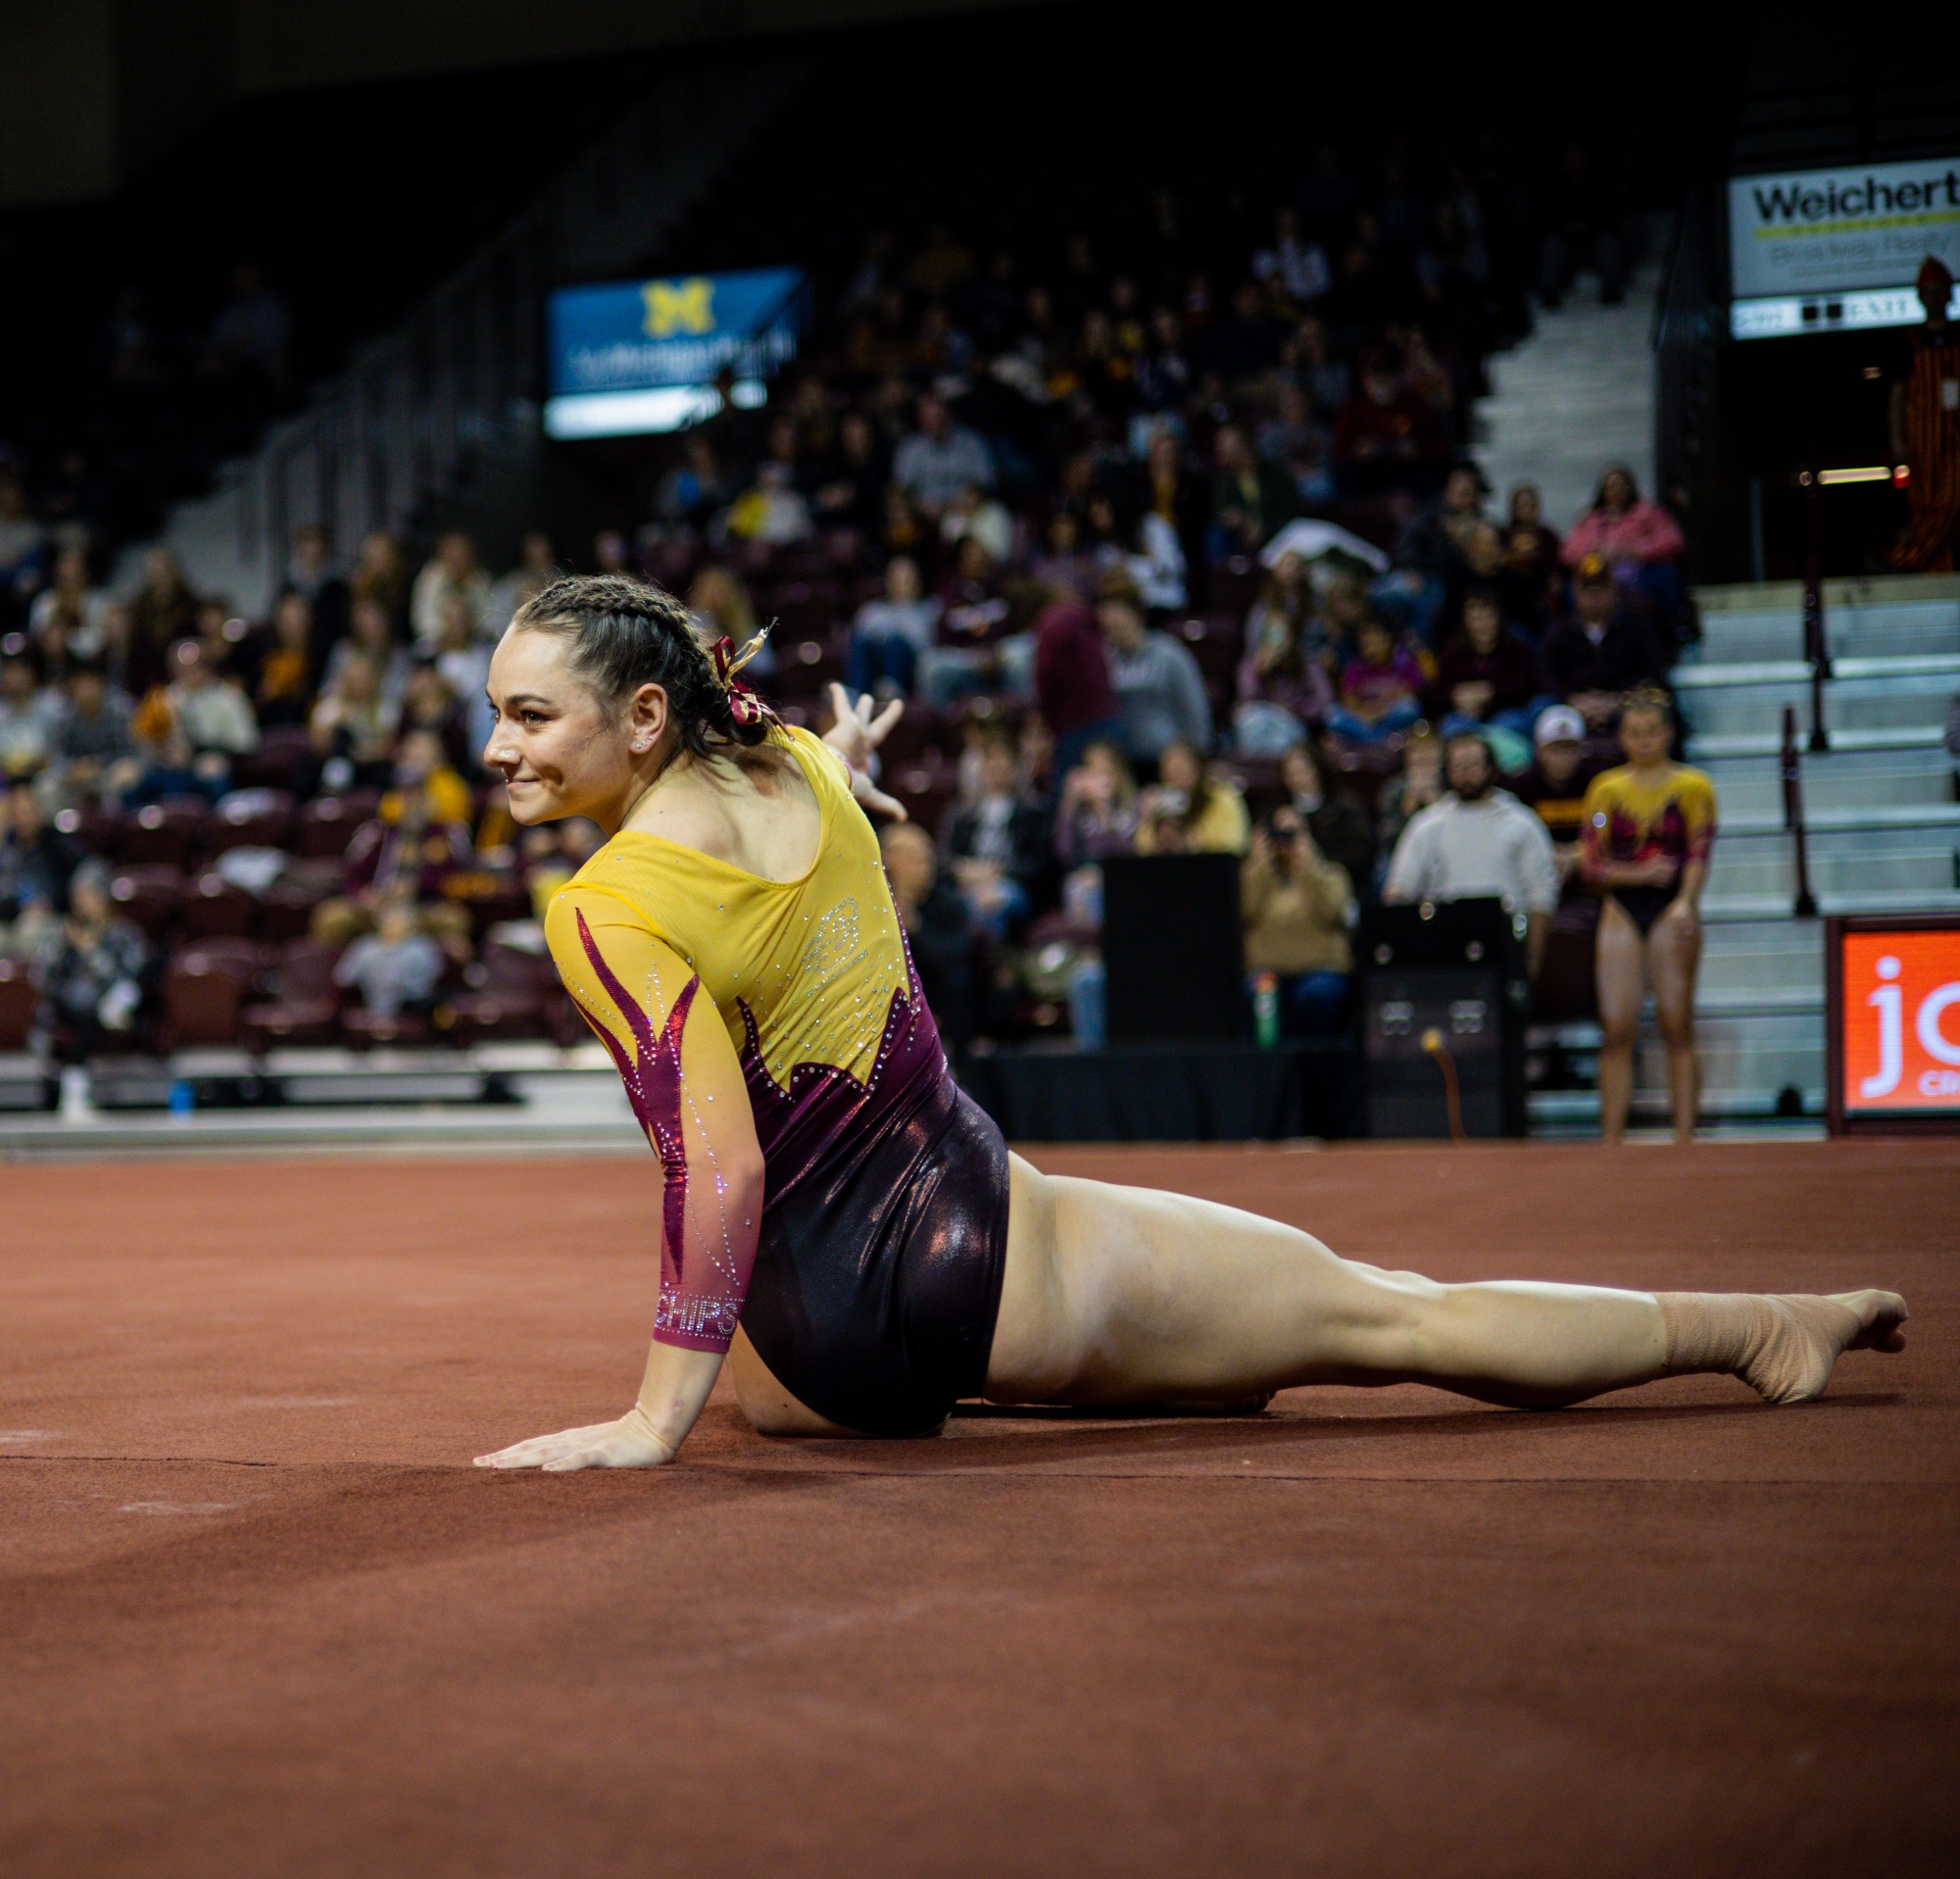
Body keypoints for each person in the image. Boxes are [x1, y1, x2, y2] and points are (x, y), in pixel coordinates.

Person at [467, 572, 1906, 1474]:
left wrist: (677, 1405)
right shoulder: (780, 758)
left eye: (529, 715)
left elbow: (725, 1170)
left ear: (646, 716)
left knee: (791, 1405)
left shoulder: (636, 875)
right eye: (499, 715)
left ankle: (1058, 1378)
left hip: (814, 1337)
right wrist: (650, 1423)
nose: (497, 748)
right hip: (965, 1248)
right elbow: (714, 1171)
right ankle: (1762, 1332)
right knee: (1388, 1312)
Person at [1579, 689, 1717, 1146]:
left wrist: (1687, 902)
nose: (1643, 741)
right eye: (1634, 733)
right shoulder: (1606, 790)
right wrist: (1638, 874)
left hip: (1670, 907)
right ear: (1621, 736)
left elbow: (1699, 850)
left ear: (1669, 734)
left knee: (1677, 1024)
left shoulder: (1694, 787)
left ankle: (1684, 1137)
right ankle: (1611, 1139)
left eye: (1652, 731)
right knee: (1616, 1027)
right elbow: (1591, 863)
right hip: (1622, 907)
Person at [1382, 729, 1559, 974]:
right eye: (1458, 766)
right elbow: (1400, 890)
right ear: (1447, 771)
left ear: (1491, 768)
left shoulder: (1521, 822)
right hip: (1442, 939)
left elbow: (1541, 896)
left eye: (1474, 765)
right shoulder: (1427, 824)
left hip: (1505, 934)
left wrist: (1532, 959)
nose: (1466, 774)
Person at [1241, 805, 1353, 1033]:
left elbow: (1334, 913)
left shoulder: (1331, 874)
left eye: (1293, 832)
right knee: (1261, 997)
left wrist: (1309, 867)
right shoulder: (1255, 877)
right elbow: (1244, 914)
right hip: (1267, 973)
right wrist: (1258, 866)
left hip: (1320, 970)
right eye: (1278, 834)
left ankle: (1317, 1065)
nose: (1285, 841)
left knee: (1317, 995)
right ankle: (1268, 1065)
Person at [1096, 570, 1210, 773]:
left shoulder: (1170, 656)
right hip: (1123, 766)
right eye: (1110, 628)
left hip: (1167, 764)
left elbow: (1194, 711)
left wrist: (1195, 760)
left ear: (1137, 616)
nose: (1115, 632)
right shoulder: (1104, 659)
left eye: (1120, 624)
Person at [938, 732, 1050, 937]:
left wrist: (998, 872)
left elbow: (1038, 864)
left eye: (1004, 769)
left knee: (991, 903)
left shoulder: (1034, 813)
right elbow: (944, 859)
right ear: (982, 771)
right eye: (992, 768)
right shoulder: (961, 815)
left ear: (1016, 770)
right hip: (968, 882)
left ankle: (990, 963)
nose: (998, 774)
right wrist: (965, 871)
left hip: (1011, 883)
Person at [1889, 255, 1960, 571]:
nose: (1934, 297)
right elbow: (1898, 395)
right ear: (1920, 298)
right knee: (1925, 505)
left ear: (1949, 294)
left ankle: (1906, 558)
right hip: (1923, 438)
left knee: (1952, 498)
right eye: (1928, 291)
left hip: (1957, 435)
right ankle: (1936, 577)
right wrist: (1898, 440)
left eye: (1939, 290)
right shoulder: (1909, 342)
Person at [879, 820, 976, 1050]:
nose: (925, 866)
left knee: (958, 982)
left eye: (926, 858)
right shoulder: (871, 902)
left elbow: (954, 954)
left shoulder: (947, 901)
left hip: (935, 985)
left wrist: (916, 928)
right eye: (912, 859)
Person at [1542, 555, 1667, 730]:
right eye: (1588, 591)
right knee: (1540, 707)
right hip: (1573, 705)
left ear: (1613, 590)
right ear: (1576, 593)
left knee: (1657, 703)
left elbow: (1652, 672)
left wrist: (1617, 700)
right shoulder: (1559, 631)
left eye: (1601, 589)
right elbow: (1547, 676)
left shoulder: (1637, 627)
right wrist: (1572, 700)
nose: (1595, 597)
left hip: (1626, 704)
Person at [846, 556, 941, 698]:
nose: (901, 583)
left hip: (911, 669)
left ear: (917, 581)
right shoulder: (871, 610)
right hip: (875, 666)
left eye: (907, 578)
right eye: (896, 577)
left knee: (895, 641)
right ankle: (855, 693)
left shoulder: (930, 609)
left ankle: (891, 687)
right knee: (861, 642)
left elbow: (927, 648)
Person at [1134, 739, 1249, 854]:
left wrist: (1189, 844)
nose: (1176, 780)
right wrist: (1147, 820)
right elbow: (1141, 851)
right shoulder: (1160, 804)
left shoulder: (1223, 799)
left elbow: (1233, 845)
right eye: (1168, 774)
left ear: (1198, 770)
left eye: (1181, 770)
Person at [1326, 615, 1425, 745]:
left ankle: (1370, 741)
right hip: (1363, 719)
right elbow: (1349, 701)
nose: (1369, 646)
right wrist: (1365, 716)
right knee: (1333, 715)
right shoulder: (1354, 667)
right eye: (1366, 643)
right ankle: (1380, 742)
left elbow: (1407, 694)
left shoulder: (1404, 663)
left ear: (1387, 639)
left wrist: (1379, 714)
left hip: (1389, 716)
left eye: (1374, 641)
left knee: (1409, 708)